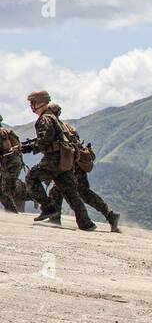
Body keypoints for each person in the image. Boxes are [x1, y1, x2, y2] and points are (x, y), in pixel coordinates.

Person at [22, 91, 96, 231]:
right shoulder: (52, 118)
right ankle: (86, 223)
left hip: (54, 158)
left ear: (40, 102)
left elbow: (45, 139)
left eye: (33, 102)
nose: (31, 105)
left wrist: (29, 148)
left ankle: (48, 208)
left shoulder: (45, 119)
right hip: (64, 159)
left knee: (31, 177)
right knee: (70, 192)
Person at [42, 106, 121, 232]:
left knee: (62, 191)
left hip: (70, 164)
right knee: (81, 193)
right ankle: (110, 215)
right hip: (76, 163)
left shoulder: (56, 127)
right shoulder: (66, 126)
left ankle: (57, 218)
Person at [0, 113, 27, 213]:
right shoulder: (6, 131)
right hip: (14, 164)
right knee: (5, 189)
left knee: (5, 190)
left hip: (9, 165)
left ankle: (12, 212)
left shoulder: (1, 133)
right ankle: (11, 211)